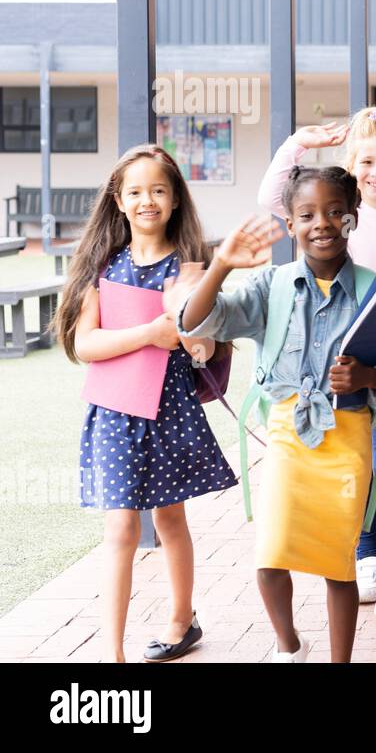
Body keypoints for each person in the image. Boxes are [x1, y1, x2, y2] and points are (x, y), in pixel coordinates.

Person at [178, 167, 376, 663]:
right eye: (308, 214)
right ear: (290, 224)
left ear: (353, 218)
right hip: (289, 434)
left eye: (336, 212)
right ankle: (290, 647)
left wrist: (369, 378)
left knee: (339, 563)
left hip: (349, 436)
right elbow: (195, 320)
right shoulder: (271, 287)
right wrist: (222, 265)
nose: (323, 224)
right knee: (271, 556)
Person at [256, 105, 376, 620]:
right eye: (366, 163)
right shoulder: (338, 215)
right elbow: (273, 197)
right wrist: (299, 143)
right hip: (331, 367)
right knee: (356, 467)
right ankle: (365, 559)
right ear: (351, 166)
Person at [54, 144, 238, 663]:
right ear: (118, 199)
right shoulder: (101, 268)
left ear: (176, 198)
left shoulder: (188, 270)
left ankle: (182, 621)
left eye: (158, 190)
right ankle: (112, 651)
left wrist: (192, 334)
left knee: (171, 520)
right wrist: (149, 334)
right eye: (135, 191)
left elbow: (202, 342)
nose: (147, 201)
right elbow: (86, 344)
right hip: (114, 413)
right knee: (121, 528)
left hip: (171, 410)